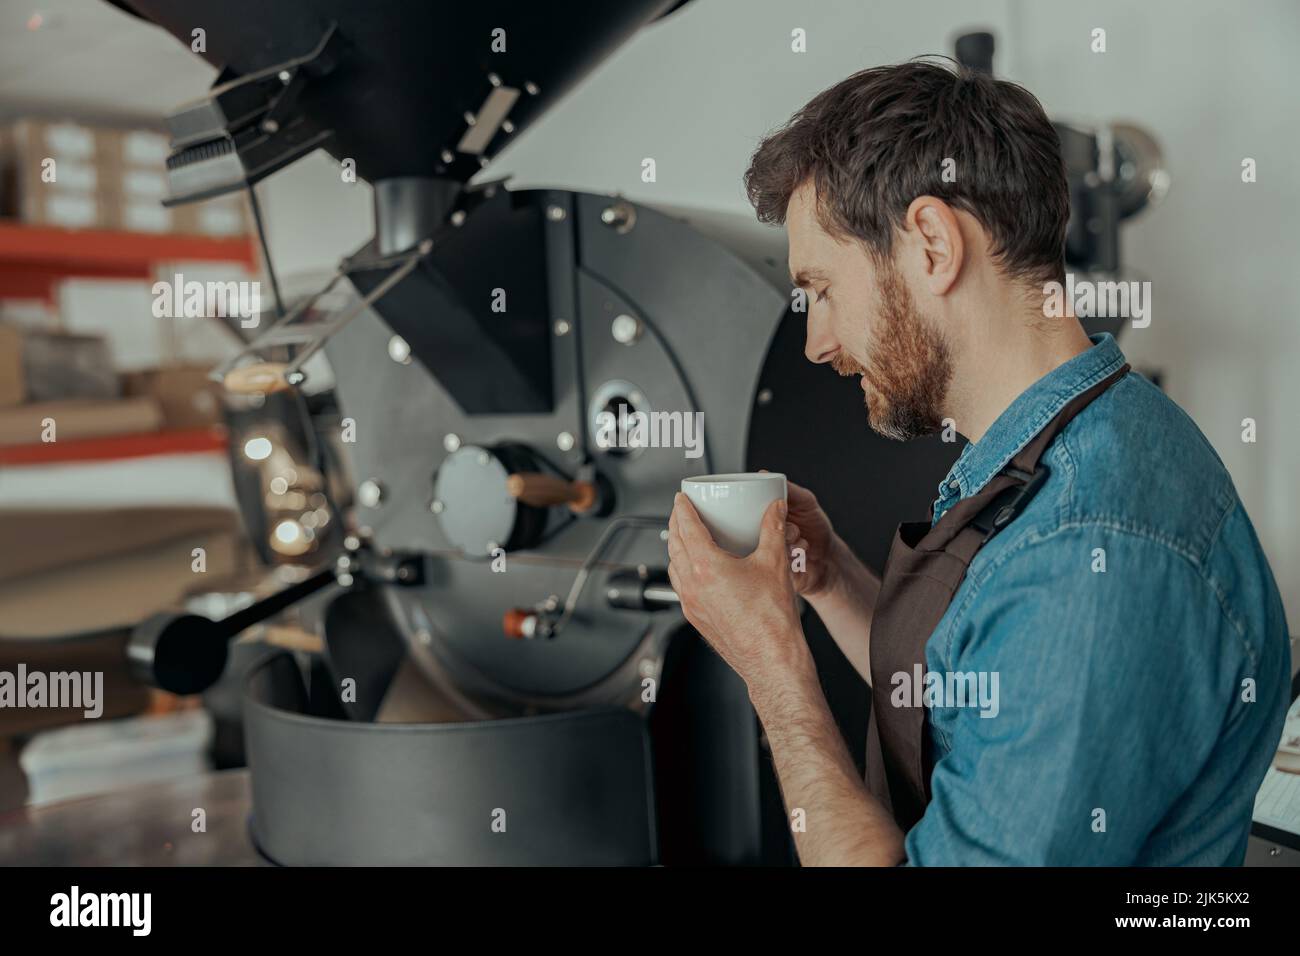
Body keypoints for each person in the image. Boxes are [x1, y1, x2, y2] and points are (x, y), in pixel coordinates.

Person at [666, 59, 1291, 865]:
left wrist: (770, 667)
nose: (817, 342)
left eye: (821, 289)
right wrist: (828, 581)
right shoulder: (1059, 445)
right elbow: (970, 696)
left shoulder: (1090, 549)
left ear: (930, 243)